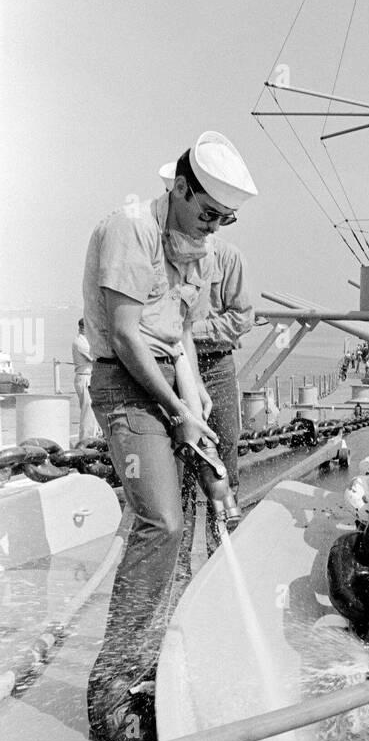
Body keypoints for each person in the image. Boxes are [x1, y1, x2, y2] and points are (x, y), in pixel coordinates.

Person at [84, 131, 257, 741]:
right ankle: (111, 690)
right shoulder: (130, 229)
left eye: (224, 219)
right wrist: (176, 410)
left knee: (205, 501)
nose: (213, 228)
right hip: (125, 386)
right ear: (181, 188)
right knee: (161, 523)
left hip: (162, 381)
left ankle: (155, 656)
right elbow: (129, 336)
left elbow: (178, 334)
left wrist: (195, 398)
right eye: (208, 212)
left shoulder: (189, 245)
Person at [153, 161, 255, 574]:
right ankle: (177, 566)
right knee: (174, 465)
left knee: (222, 452)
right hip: (165, 367)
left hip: (211, 366)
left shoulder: (227, 258)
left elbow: (241, 317)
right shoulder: (154, 253)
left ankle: (221, 556)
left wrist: (186, 331)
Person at [72, 317, 101, 442]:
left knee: (92, 409)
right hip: (84, 378)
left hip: (88, 377)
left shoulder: (86, 340)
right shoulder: (80, 342)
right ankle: (85, 440)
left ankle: (93, 437)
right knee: (87, 411)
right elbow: (94, 356)